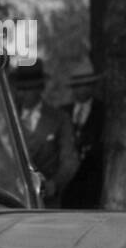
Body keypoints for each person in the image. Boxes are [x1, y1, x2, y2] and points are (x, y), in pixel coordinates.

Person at [9, 61, 77, 207]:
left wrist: (54, 184)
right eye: (21, 89)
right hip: (12, 199)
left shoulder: (59, 119)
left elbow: (70, 160)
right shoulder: (9, 119)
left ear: (40, 88)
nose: (23, 94)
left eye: (29, 89)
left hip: (47, 202)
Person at [61, 61, 105, 209]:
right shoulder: (63, 112)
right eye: (77, 86)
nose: (81, 90)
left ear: (92, 87)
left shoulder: (103, 112)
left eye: (85, 85)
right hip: (66, 185)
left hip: (93, 181)